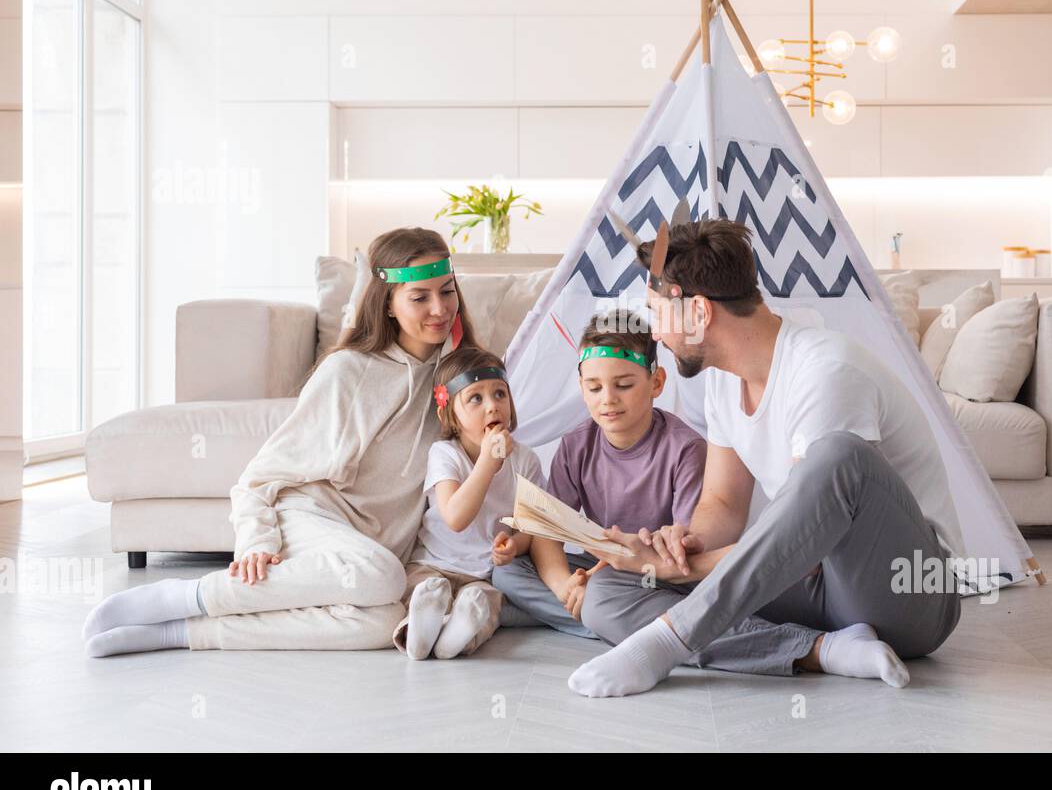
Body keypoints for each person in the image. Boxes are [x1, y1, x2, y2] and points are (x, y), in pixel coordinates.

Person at [568, 219, 963, 697]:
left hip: (905, 595)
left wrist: (686, 571)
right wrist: (682, 545)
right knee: (608, 591)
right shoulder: (721, 377)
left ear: (698, 312)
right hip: (812, 594)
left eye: (658, 312)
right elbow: (723, 504)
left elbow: (810, 551)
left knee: (838, 454)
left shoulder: (825, 371)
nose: (654, 332)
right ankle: (816, 651)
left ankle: (667, 642)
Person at [82, 228, 478, 656]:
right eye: (419, 297)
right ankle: (183, 597)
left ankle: (177, 634)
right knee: (384, 579)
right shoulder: (348, 371)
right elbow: (260, 476)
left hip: (365, 555)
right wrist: (257, 541)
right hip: (310, 519)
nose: (439, 309)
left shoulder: (460, 381)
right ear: (387, 303)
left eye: (448, 291)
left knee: (382, 623)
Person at [491, 311, 705, 638]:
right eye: (594, 387)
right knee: (506, 572)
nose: (607, 400)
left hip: (658, 572)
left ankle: (591, 614)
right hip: (599, 571)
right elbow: (549, 532)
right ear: (581, 387)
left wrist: (601, 577)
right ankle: (596, 616)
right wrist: (564, 585)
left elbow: (684, 550)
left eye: (623, 385)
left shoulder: (685, 448)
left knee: (606, 591)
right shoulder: (576, 444)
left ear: (656, 382)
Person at [394, 347, 543, 659]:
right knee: (424, 592)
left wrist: (515, 546)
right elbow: (456, 518)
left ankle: (457, 640)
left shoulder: (526, 460)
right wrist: (487, 464)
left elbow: (532, 527)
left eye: (500, 394)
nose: (492, 406)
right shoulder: (445, 454)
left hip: (483, 574)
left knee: (484, 606)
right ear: (449, 413)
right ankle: (418, 632)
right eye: (475, 398)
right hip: (434, 563)